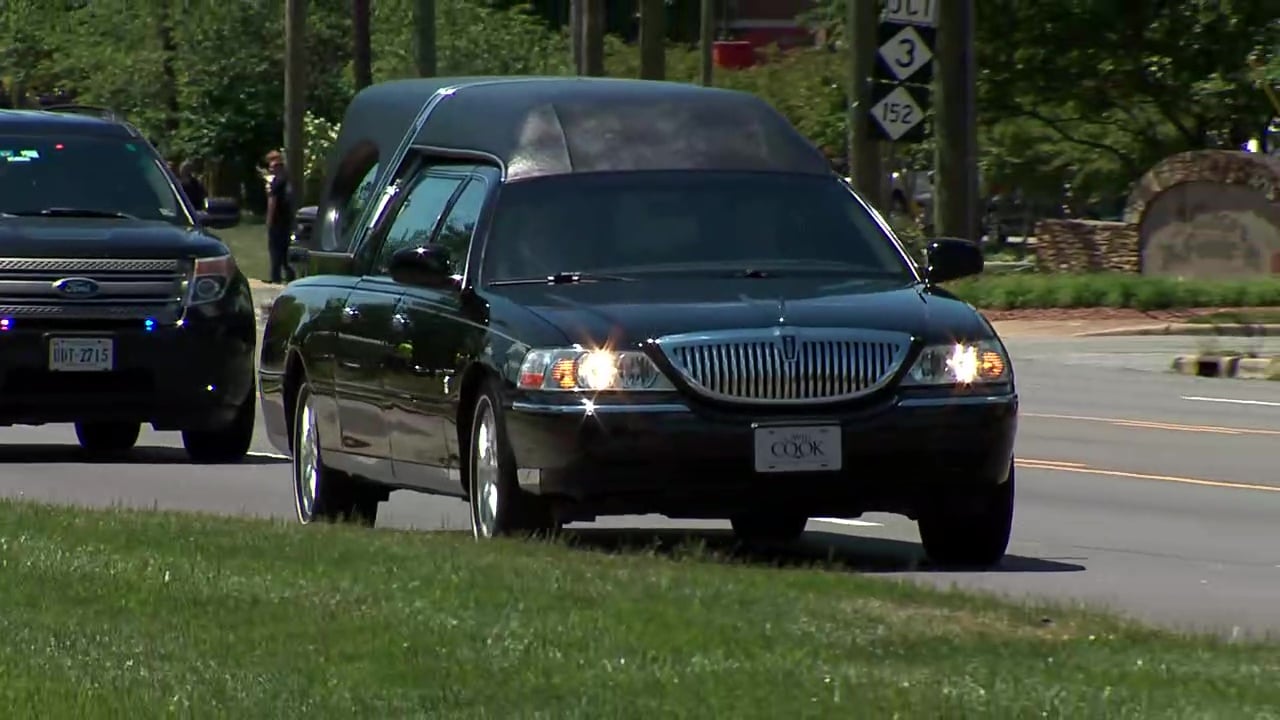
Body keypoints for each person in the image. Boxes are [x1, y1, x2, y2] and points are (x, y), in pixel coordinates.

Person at [264, 150, 296, 284]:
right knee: (284, 251)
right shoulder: (287, 177)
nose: (271, 168)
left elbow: (273, 201)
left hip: (277, 221)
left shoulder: (277, 181)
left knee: (275, 251)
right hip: (287, 220)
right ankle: (290, 275)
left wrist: (269, 221)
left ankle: (275, 279)